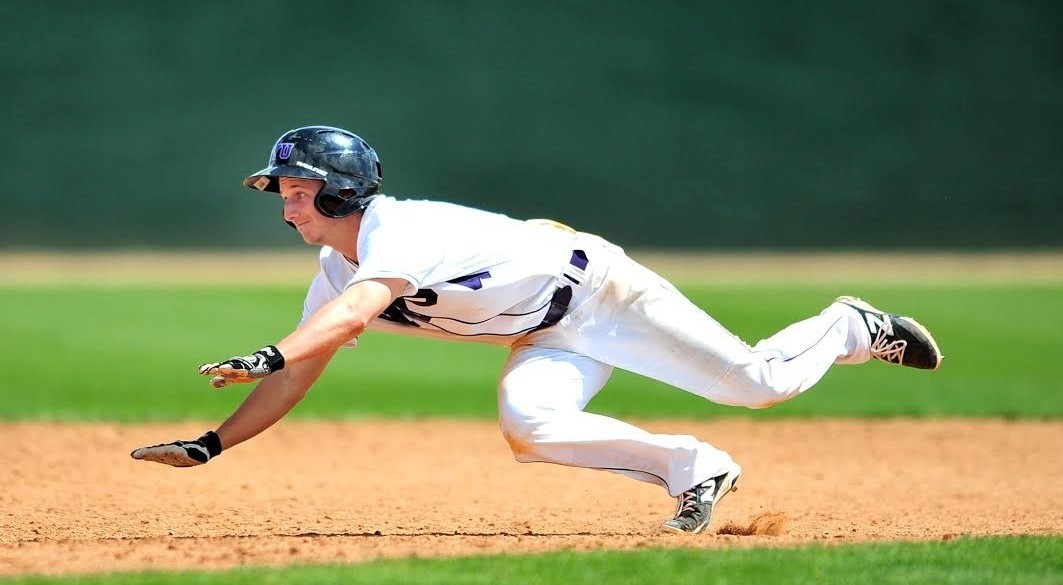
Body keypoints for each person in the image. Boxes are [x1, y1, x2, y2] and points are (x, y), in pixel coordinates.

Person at [131, 125, 942, 534]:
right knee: (530, 425)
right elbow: (297, 373)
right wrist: (211, 443)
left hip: (605, 292)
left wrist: (269, 349)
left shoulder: (400, 231)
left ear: (343, 192)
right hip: (545, 331)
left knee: (758, 385)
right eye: (281, 188)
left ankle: (847, 324)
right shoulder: (338, 272)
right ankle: (695, 467)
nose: (285, 200)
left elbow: (338, 323)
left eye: (299, 187)